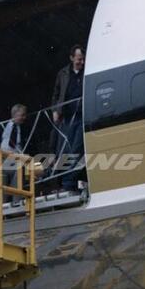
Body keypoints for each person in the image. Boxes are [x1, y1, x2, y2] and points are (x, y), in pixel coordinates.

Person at [50, 45, 86, 190]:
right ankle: (62, 181)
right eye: (79, 59)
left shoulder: (86, 72)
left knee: (76, 149)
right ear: (71, 58)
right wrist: (55, 110)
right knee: (64, 150)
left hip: (81, 117)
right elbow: (56, 94)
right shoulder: (63, 74)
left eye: (83, 59)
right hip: (66, 118)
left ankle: (68, 182)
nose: (81, 62)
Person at [1, 104, 29, 201]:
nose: (24, 118)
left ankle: (16, 199)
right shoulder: (7, 126)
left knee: (20, 170)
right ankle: (13, 198)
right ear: (15, 115)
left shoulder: (21, 128)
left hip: (15, 159)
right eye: (22, 115)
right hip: (4, 158)